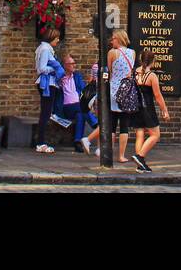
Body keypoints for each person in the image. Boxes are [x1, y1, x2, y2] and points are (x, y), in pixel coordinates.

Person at [130, 48, 170, 172]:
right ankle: (140, 157)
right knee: (155, 135)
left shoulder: (134, 72)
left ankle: (140, 166)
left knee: (139, 134)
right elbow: (158, 96)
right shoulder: (151, 76)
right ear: (152, 61)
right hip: (148, 108)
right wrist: (165, 111)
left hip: (136, 108)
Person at [52, 54, 97, 151]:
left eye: (74, 63)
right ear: (65, 65)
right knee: (81, 108)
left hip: (78, 107)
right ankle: (95, 123)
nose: (74, 65)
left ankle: (77, 142)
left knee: (80, 114)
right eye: (71, 63)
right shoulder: (59, 78)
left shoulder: (77, 76)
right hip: (65, 108)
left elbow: (83, 89)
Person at [105, 29, 138, 163]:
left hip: (114, 91)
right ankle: (121, 156)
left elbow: (110, 72)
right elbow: (130, 72)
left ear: (118, 39)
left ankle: (110, 155)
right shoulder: (133, 53)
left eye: (113, 38)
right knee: (124, 125)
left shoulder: (112, 53)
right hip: (126, 92)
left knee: (112, 124)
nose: (111, 41)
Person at [34, 28, 63, 153]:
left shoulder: (44, 48)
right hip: (47, 84)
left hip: (49, 84)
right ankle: (40, 143)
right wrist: (55, 68)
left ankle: (41, 141)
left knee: (46, 113)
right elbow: (41, 68)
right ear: (51, 37)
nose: (58, 40)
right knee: (45, 113)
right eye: (56, 38)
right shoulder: (45, 49)